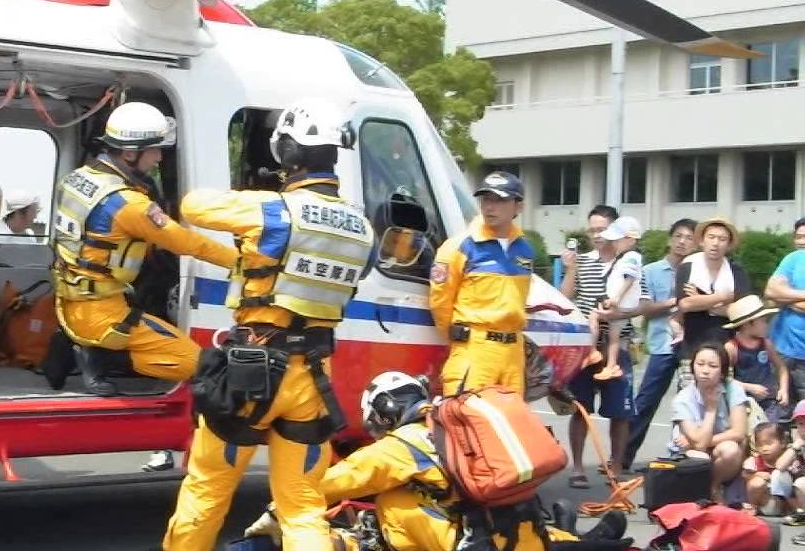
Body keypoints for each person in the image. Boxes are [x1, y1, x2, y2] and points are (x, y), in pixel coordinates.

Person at [162, 100, 377, 551]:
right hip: (313, 378)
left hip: (251, 375)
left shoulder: (272, 210)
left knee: (207, 491)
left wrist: (251, 195)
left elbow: (193, 206)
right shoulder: (363, 227)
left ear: (288, 154)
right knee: (301, 505)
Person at [239, 372, 629, 551]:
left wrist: (278, 510)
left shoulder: (401, 445)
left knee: (392, 500)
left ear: (385, 412)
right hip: (519, 532)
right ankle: (579, 540)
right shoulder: (455, 430)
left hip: (469, 541)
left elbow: (330, 483)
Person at [52, 101, 237, 396]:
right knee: (197, 363)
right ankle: (100, 355)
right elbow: (188, 243)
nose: (159, 158)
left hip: (69, 304)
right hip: (104, 316)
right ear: (129, 153)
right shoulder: (129, 205)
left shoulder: (80, 178)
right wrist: (241, 262)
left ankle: (75, 343)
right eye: (154, 150)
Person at [429, 170, 536, 395]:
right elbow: (441, 301)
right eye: (486, 199)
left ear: (518, 207)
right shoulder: (460, 246)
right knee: (468, 423)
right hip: (475, 350)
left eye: (499, 200)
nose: (490, 207)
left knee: (509, 425)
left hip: (513, 354)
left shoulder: (525, 250)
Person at [560, 205, 634, 490]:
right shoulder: (584, 262)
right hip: (584, 349)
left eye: (602, 229)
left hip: (618, 345)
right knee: (580, 409)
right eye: (592, 230)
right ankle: (577, 468)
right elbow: (565, 298)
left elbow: (642, 302)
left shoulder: (628, 261)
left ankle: (615, 467)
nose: (597, 235)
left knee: (621, 412)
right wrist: (570, 269)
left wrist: (621, 314)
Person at [622, 218, 695, 473]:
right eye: (679, 236)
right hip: (662, 344)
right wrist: (677, 301)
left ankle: (680, 459)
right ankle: (622, 458)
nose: (683, 241)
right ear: (670, 239)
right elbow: (645, 309)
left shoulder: (698, 269)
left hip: (692, 345)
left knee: (688, 404)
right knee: (645, 402)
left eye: (689, 237)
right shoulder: (651, 271)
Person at [674, 217, 750, 387]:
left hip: (726, 348)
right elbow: (685, 305)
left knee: (724, 400)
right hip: (692, 347)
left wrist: (701, 299)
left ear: (729, 244)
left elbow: (742, 312)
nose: (716, 243)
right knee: (690, 402)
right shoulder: (687, 268)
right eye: (711, 237)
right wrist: (723, 297)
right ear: (702, 241)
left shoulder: (736, 271)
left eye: (722, 239)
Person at [670, 342, 748, 502]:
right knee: (700, 457)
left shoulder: (733, 389)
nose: (705, 370)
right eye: (700, 364)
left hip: (717, 449)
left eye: (713, 366)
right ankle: (700, 492)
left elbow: (739, 432)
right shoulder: (683, 399)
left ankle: (712, 486)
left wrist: (699, 442)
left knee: (731, 450)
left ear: (722, 371)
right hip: (689, 454)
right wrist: (711, 410)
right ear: (693, 367)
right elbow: (699, 447)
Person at [586, 216, 643, 381]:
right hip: (623, 303)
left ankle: (592, 351)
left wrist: (616, 298)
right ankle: (611, 366)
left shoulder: (631, 256)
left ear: (630, 240)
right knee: (614, 336)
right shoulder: (626, 256)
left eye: (617, 240)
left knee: (594, 316)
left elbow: (629, 278)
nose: (614, 243)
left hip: (621, 303)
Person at [723, 295, 789, 422]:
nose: (766, 324)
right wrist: (748, 387)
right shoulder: (731, 348)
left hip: (769, 401)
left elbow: (782, 368)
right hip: (745, 402)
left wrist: (783, 389)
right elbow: (723, 378)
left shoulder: (766, 343)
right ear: (748, 324)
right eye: (763, 320)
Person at [766, 226, 805, 406]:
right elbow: (771, 291)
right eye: (799, 236)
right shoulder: (794, 259)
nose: (802, 241)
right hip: (782, 349)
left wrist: (786, 298)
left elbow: (778, 296)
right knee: (779, 411)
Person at [743, 421, 804, 516]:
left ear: (783, 443)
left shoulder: (790, 458)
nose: (764, 448)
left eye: (769, 443)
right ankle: (754, 507)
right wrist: (756, 474)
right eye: (760, 445)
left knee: (779, 474)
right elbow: (744, 474)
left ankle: (796, 511)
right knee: (756, 483)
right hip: (769, 501)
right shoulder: (754, 461)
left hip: (790, 501)